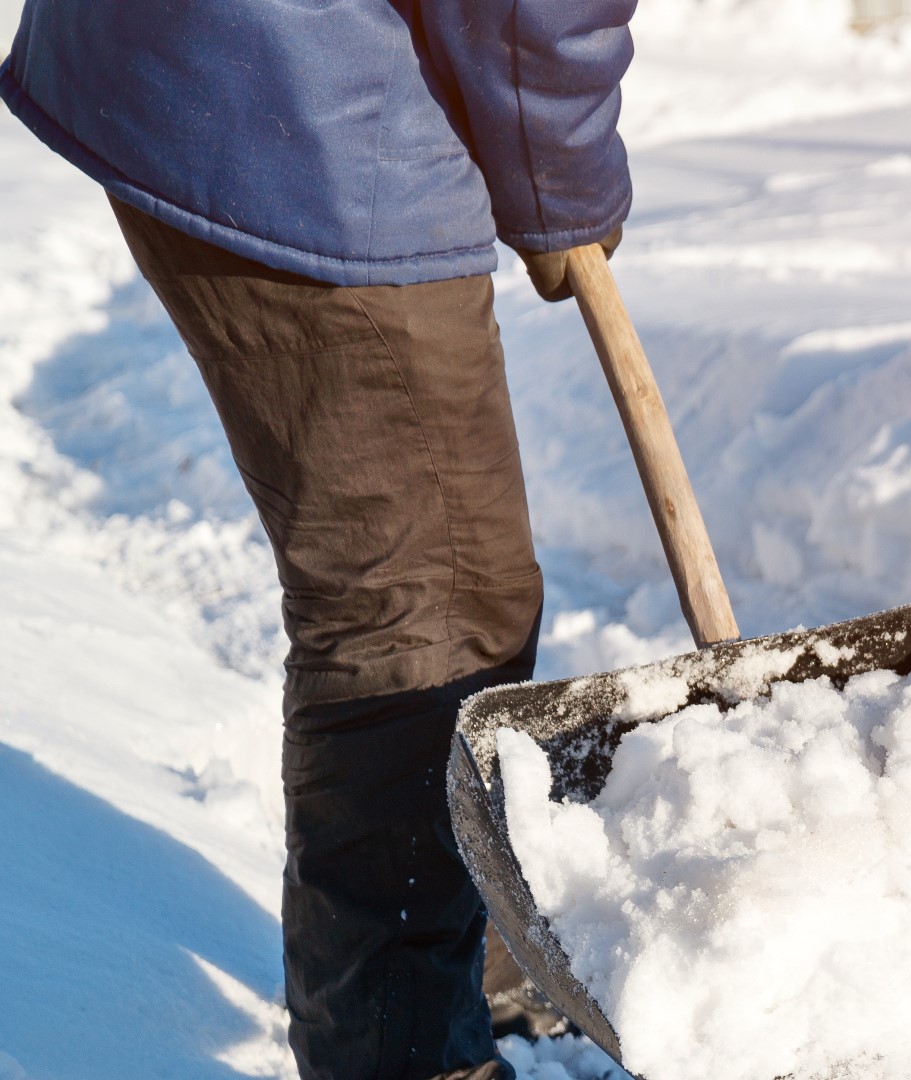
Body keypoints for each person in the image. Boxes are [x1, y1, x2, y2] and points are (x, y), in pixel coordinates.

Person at [2, 2, 635, 1076]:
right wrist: (562, 185)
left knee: (440, 596)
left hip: (220, 55)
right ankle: (401, 1049)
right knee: (429, 616)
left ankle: (453, 946)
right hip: (300, 106)